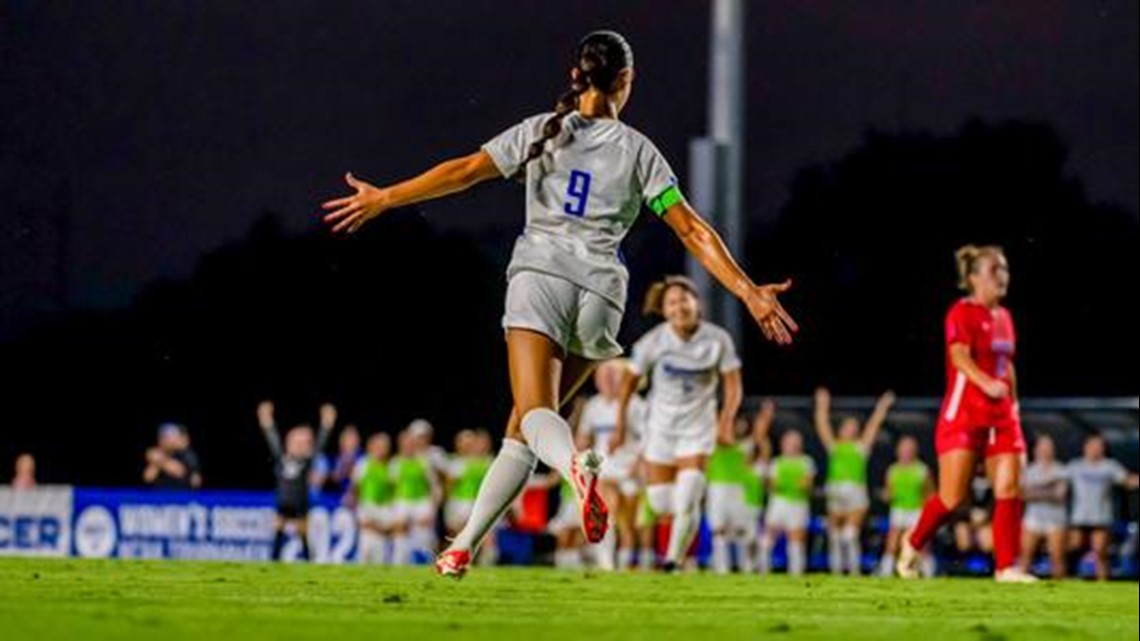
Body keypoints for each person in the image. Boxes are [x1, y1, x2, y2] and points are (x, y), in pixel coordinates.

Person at [321, 30, 797, 579]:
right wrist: (747, 290)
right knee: (522, 424)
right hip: (601, 296)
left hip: (539, 280)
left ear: (580, 76)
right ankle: (464, 546)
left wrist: (387, 198)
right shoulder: (641, 152)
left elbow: (462, 172)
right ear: (626, 81)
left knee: (537, 413)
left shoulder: (539, 132)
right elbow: (691, 229)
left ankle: (575, 468)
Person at [898, 245, 1036, 583]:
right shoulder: (960, 312)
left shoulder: (1005, 318)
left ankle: (1006, 568)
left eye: (1004, 269)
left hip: (1001, 416)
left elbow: (1008, 365)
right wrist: (987, 384)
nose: (1002, 276)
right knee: (952, 497)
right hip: (964, 415)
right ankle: (911, 544)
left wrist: (1013, 405)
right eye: (994, 270)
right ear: (973, 278)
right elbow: (959, 357)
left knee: (1009, 487)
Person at [611, 276, 744, 573]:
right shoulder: (653, 342)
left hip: (697, 429)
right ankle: (684, 524)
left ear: (697, 304)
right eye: (672, 302)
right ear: (664, 309)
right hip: (660, 429)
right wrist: (620, 425)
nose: (679, 307)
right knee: (661, 504)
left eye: (684, 300)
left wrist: (726, 421)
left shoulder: (717, 339)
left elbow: (733, 386)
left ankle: (672, 560)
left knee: (687, 497)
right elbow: (627, 385)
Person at [814, 388, 895, 575]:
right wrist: (822, 404)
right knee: (835, 536)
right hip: (835, 490)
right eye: (847, 426)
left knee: (850, 535)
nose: (851, 429)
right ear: (841, 429)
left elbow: (874, 425)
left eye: (854, 427)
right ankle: (836, 573)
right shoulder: (834, 447)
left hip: (855, 492)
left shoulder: (860, 448)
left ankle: (854, 571)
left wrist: (882, 406)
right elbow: (822, 423)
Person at [577, 359, 648, 570]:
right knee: (610, 513)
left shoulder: (636, 405)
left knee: (629, 524)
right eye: (602, 376)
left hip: (630, 470)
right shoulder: (593, 406)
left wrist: (639, 463)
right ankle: (606, 563)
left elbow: (648, 438)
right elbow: (584, 438)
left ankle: (626, 566)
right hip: (605, 469)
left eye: (612, 375)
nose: (606, 380)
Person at [257, 400, 334, 562]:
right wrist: (266, 419)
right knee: (278, 536)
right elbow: (272, 439)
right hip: (283, 503)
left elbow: (321, 444)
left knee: (303, 537)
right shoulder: (281, 459)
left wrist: (327, 423)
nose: (299, 447)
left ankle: (307, 562)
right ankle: (273, 563)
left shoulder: (306, 462)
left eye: (302, 444)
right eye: (295, 443)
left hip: (300, 504)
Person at [1067, 433, 1140, 581]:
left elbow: (1128, 481)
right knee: (1072, 548)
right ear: (1085, 447)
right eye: (1093, 445)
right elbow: (1059, 483)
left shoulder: (1110, 466)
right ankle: (1069, 580)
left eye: (1099, 445)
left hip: (1101, 517)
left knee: (1100, 552)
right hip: (1079, 517)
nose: (1096, 448)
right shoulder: (1075, 466)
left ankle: (1103, 584)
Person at [760, 430, 816, 576]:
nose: (792, 446)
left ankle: (796, 575)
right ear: (783, 444)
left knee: (796, 541)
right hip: (778, 504)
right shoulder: (776, 462)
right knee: (767, 539)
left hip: (798, 505)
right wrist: (793, 484)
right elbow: (772, 485)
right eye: (789, 442)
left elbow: (806, 485)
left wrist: (785, 484)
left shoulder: (806, 462)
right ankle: (762, 572)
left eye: (795, 443)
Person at [878, 435, 934, 577]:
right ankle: (885, 573)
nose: (906, 451)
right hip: (899, 510)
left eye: (909, 448)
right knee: (892, 542)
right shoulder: (892, 470)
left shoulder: (922, 470)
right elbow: (889, 492)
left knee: (921, 544)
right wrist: (887, 496)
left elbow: (930, 494)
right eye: (903, 448)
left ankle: (929, 574)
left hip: (917, 510)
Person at [1019, 434, 1069, 579]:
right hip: (1032, 520)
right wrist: (1049, 487)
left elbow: (1059, 495)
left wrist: (1034, 490)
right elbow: (1023, 495)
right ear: (1036, 450)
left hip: (1056, 520)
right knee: (1025, 556)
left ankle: (1060, 593)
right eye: (1043, 447)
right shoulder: (1028, 470)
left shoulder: (1061, 470)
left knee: (1057, 558)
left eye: (1049, 447)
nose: (1046, 450)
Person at [445, 430, 497, 565]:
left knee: (487, 537)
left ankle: (487, 566)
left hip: (477, 504)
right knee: (459, 537)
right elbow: (449, 489)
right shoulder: (456, 463)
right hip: (459, 504)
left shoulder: (487, 462)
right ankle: (453, 564)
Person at [390, 428, 439, 565]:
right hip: (402, 501)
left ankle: (426, 564)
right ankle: (398, 565)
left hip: (421, 502)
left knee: (424, 535)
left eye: (411, 443)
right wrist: (392, 511)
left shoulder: (424, 462)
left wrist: (432, 510)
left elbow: (434, 487)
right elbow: (391, 488)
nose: (408, 446)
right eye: (405, 443)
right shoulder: (395, 463)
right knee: (400, 535)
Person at [351, 432, 396, 565]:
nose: (380, 450)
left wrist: (387, 520)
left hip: (383, 511)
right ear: (370, 447)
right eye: (377, 446)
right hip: (366, 509)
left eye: (383, 447)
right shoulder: (363, 464)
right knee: (365, 549)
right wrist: (361, 514)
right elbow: (355, 489)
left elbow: (393, 492)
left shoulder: (391, 467)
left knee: (381, 554)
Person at [143, 423, 202, 491]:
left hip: (181, 496)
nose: (166, 440)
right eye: (163, 437)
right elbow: (148, 478)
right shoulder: (159, 454)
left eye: (170, 437)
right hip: (160, 495)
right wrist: (156, 461)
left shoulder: (186, 454)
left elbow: (179, 471)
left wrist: (159, 460)